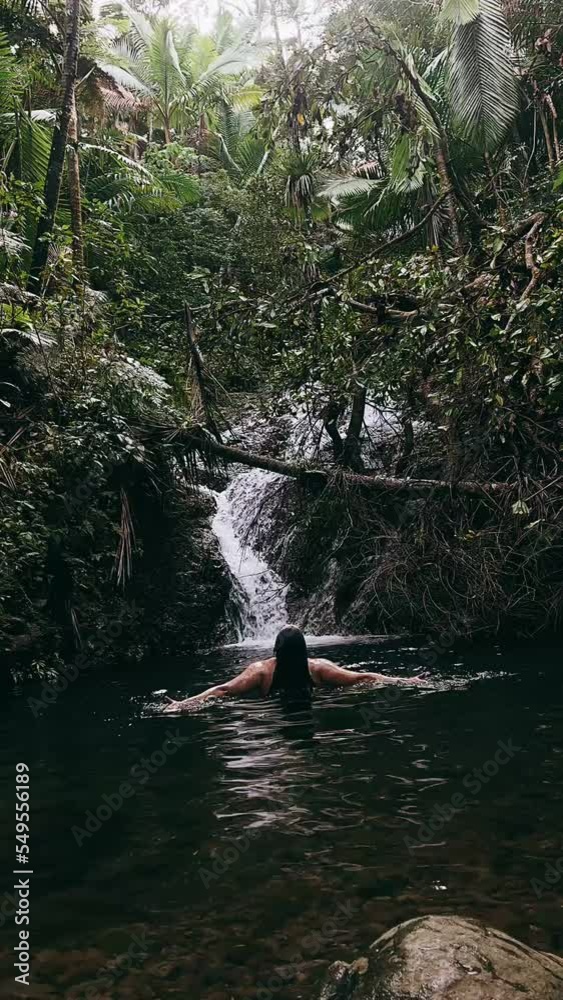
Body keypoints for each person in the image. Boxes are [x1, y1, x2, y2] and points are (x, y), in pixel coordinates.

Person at [163, 626, 424, 713]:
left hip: (272, 716)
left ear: (276, 649)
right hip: (312, 710)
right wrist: (405, 681)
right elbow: (364, 678)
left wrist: (184, 704)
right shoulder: (318, 668)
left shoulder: (261, 671)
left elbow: (222, 691)